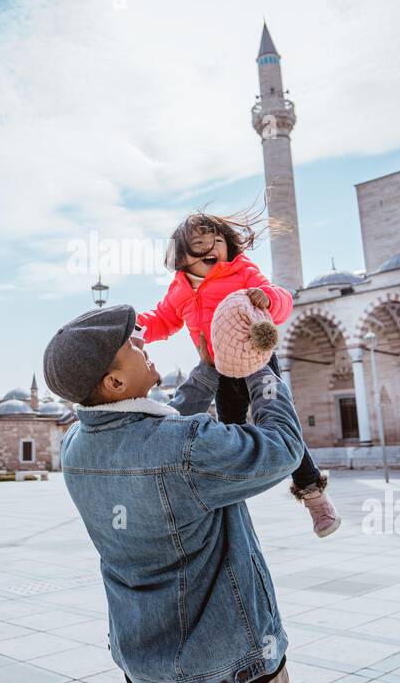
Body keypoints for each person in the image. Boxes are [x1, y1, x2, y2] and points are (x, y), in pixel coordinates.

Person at [44, 303, 303, 683]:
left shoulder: (76, 448)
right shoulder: (183, 449)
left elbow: (156, 431)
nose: (141, 340)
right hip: (231, 672)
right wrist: (257, 365)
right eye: (129, 343)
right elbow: (283, 447)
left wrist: (206, 370)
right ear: (114, 383)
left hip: (147, 671)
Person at [138, 210, 338, 536]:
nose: (213, 248)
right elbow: (161, 320)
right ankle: (230, 500)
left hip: (259, 365)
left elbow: (282, 300)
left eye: (218, 240)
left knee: (283, 429)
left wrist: (268, 298)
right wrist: (132, 328)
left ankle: (315, 497)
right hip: (220, 370)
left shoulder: (243, 271)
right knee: (229, 435)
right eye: (201, 245)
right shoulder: (180, 290)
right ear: (183, 258)